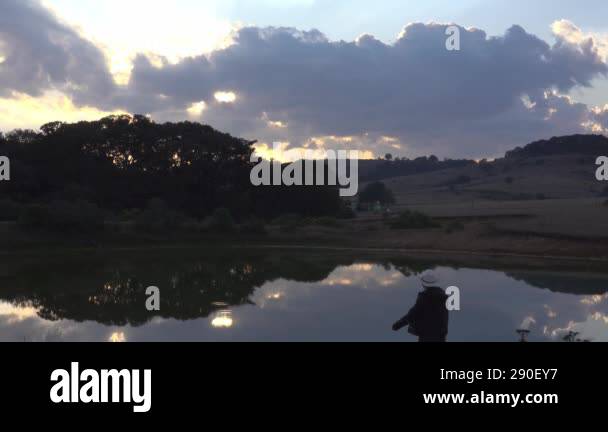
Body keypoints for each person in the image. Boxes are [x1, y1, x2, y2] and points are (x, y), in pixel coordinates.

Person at [392, 271, 449, 342]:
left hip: (426, 335)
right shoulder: (443, 296)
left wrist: (397, 325)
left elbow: (412, 315)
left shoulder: (424, 297)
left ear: (423, 284)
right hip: (441, 336)